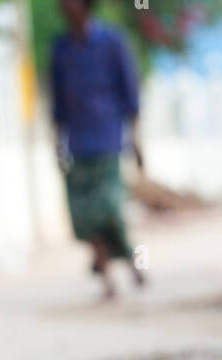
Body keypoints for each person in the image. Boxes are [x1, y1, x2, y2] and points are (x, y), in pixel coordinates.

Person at [52, 0, 145, 298]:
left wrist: (137, 139)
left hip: (108, 139)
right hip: (77, 144)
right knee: (84, 215)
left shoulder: (112, 42)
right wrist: (56, 142)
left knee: (108, 208)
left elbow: (130, 94)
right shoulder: (61, 50)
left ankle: (132, 259)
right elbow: (57, 105)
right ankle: (107, 280)